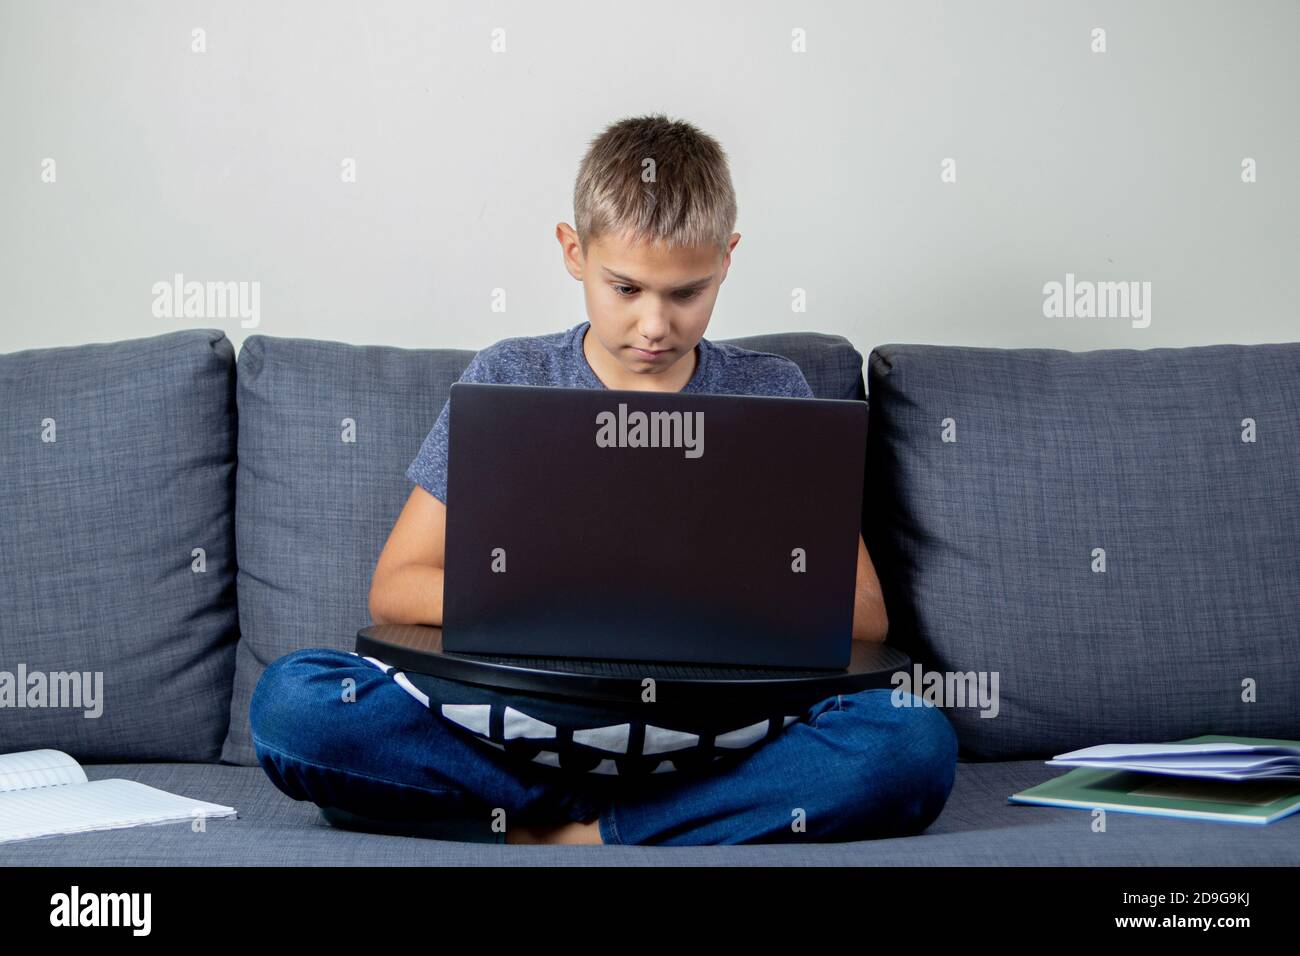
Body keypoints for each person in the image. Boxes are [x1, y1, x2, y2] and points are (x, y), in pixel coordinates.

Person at [250, 114, 957, 846]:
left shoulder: (775, 391)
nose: (654, 325)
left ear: (727, 260)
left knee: (909, 743)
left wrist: (675, 593)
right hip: (519, 733)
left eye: (687, 292)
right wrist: (585, 592)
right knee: (296, 705)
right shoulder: (510, 378)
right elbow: (395, 585)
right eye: (626, 288)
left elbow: (866, 614)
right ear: (573, 251)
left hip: (715, 742)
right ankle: (632, 822)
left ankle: (583, 833)